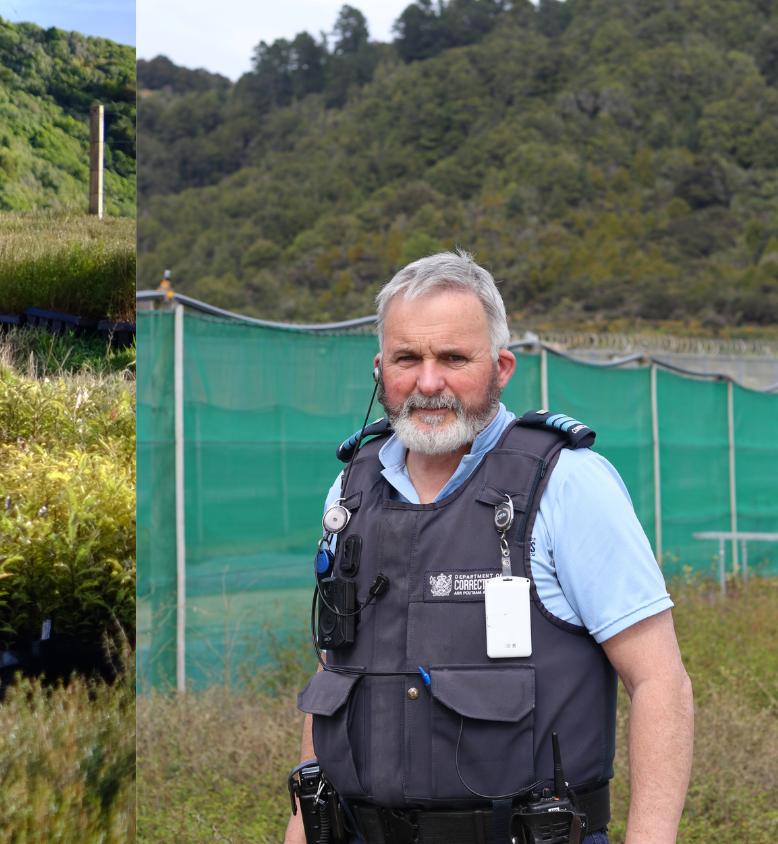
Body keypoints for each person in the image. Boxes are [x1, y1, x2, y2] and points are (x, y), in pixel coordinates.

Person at [283, 251, 693, 844]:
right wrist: (301, 829)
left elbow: (660, 683)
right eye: (407, 358)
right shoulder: (352, 489)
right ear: (379, 368)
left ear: (500, 368)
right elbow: (333, 670)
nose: (428, 383)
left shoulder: (567, 484)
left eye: (454, 358)